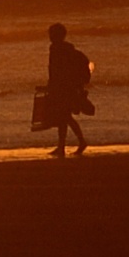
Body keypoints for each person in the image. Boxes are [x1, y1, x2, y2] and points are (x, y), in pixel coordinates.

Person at [34, 21, 92, 157]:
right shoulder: (68, 48)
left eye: (51, 33)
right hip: (69, 86)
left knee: (64, 117)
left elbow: (54, 70)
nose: (49, 36)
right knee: (64, 117)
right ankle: (66, 145)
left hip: (62, 87)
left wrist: (50, 85)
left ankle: (70, 144)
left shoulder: (55, 48)